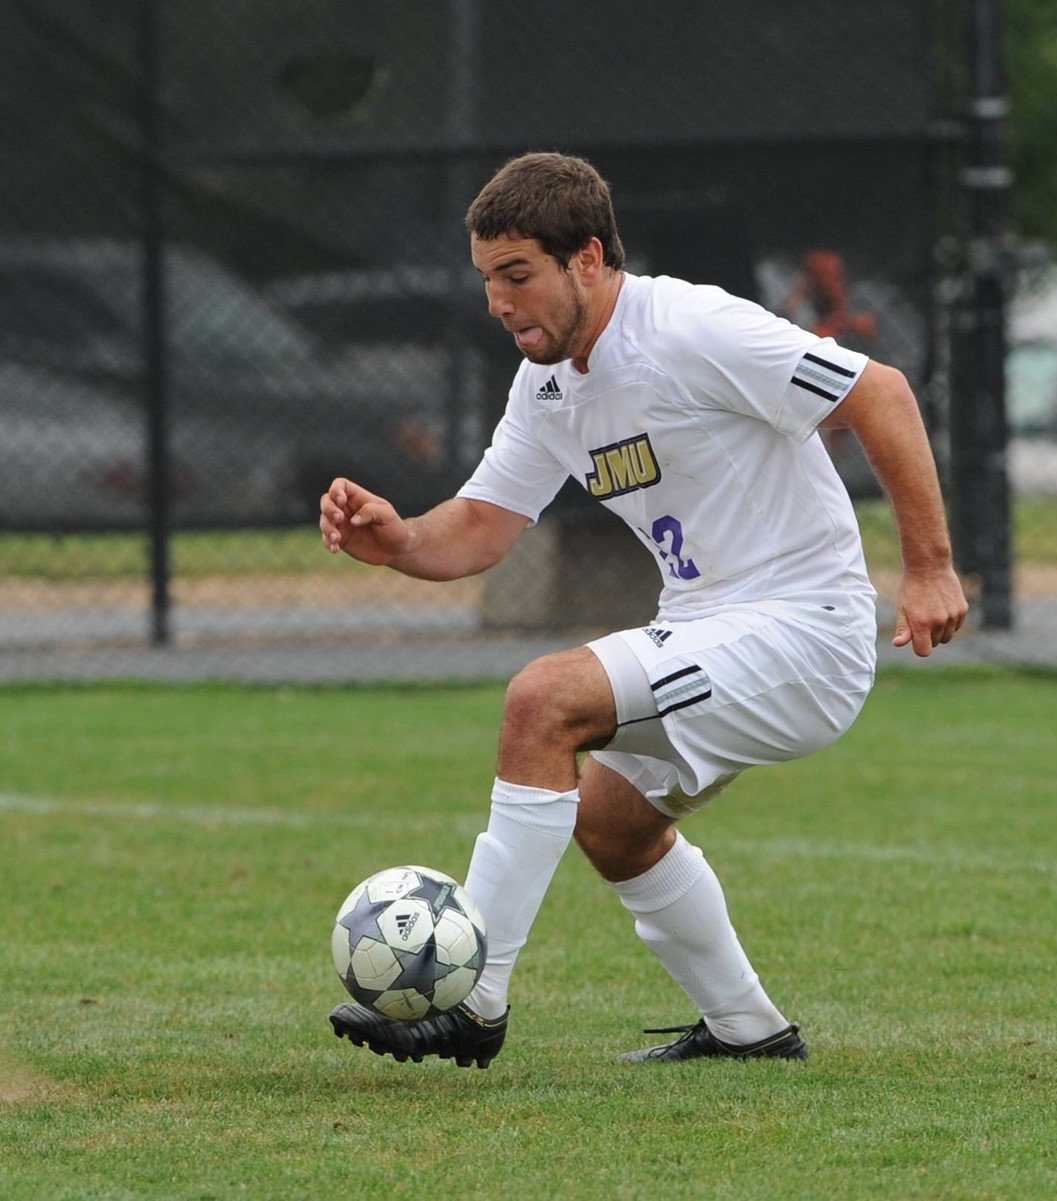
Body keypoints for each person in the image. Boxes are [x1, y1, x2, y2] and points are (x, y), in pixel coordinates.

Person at [319, 152, 968, 1067]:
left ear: (587, 259)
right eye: (487, 281)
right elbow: (481, 525)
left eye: (518, 277)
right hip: (708, 623)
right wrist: (398, 540)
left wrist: (931, 567)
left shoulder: (691, 328)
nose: (500, 304)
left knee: (541, 700)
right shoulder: (547, 382)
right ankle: (750, 1029)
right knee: (610, 817)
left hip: (802, 627)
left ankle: (473, 997)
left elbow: (881, 392)